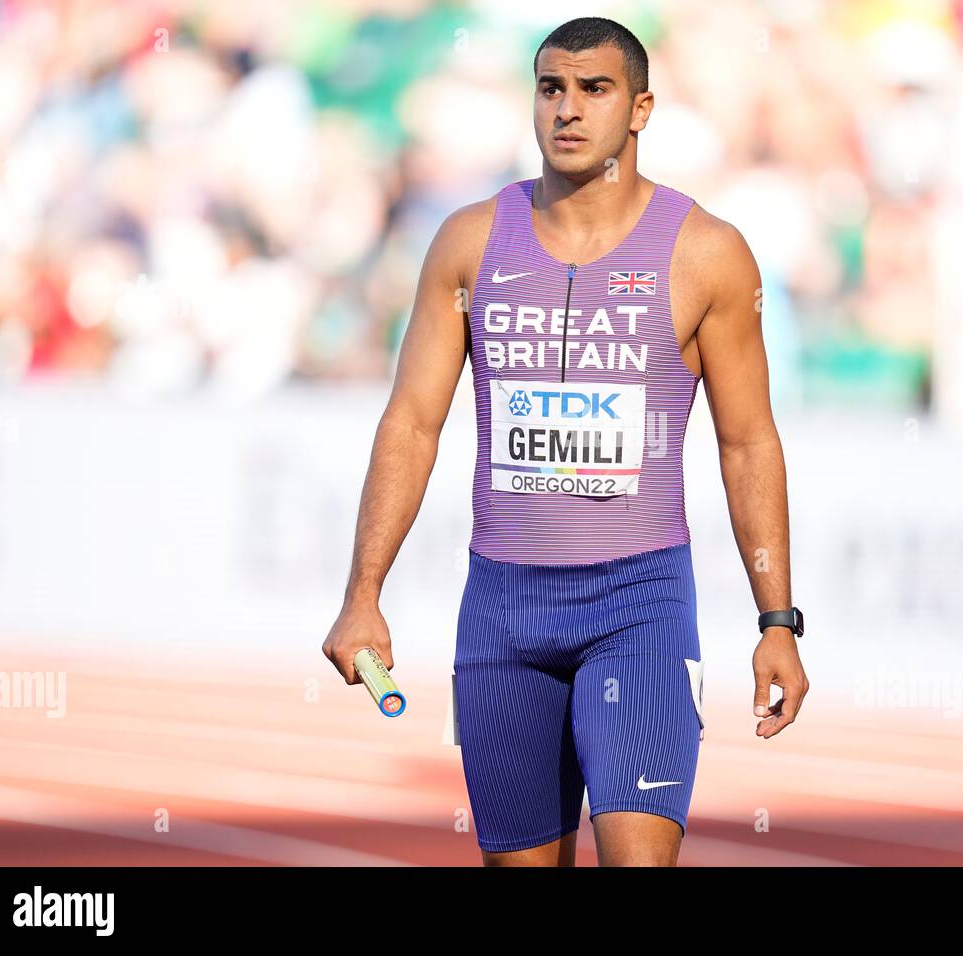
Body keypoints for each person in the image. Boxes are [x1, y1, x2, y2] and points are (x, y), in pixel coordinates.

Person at [322, 16, 808, 867]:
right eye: (552, 89)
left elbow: (748, 443)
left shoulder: (708, 254)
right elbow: (411, 423)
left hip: (639, 608)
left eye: (595, 89)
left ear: (642, 107)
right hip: (503, 613)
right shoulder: (470, 242)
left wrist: (779, 621)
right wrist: (364, 591)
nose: (569, 110)